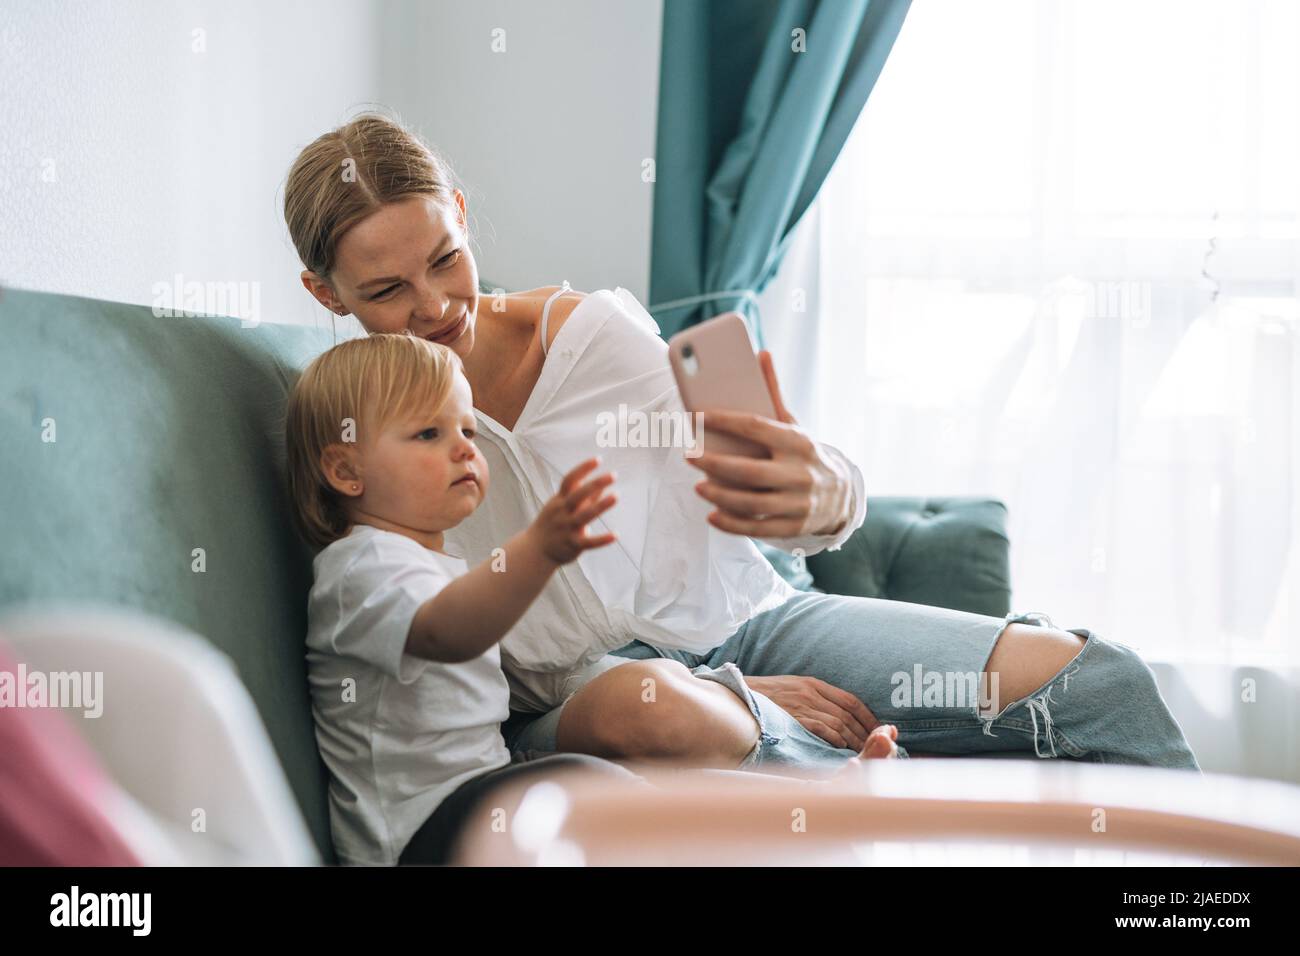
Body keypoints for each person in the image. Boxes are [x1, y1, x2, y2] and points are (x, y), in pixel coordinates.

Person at [282, 111, 1200, 777]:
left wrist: (827, 494)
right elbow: (434, 660)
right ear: (327, 297)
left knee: (1095, 682)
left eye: (445, 259)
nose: (437, 309)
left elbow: (784, 477)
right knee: (641, 705)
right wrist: (741, 694)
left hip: (750, 620)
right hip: (585, 698)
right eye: (387, 291)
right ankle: (828, 764)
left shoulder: (595, 336)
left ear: (463, 213)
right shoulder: (354, 434)